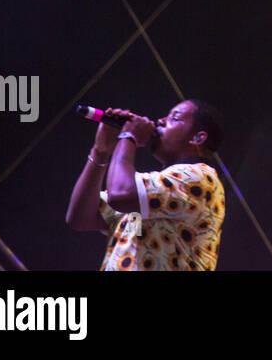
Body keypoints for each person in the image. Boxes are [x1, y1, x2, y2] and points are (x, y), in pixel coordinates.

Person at [65, 99, 225, 270]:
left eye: (175, 118)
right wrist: (100, 151)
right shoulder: (154, 190)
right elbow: (81, 217)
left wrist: (128, 136)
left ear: (198, 138)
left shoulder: (199, 177)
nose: (161, 121)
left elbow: (120, 194)